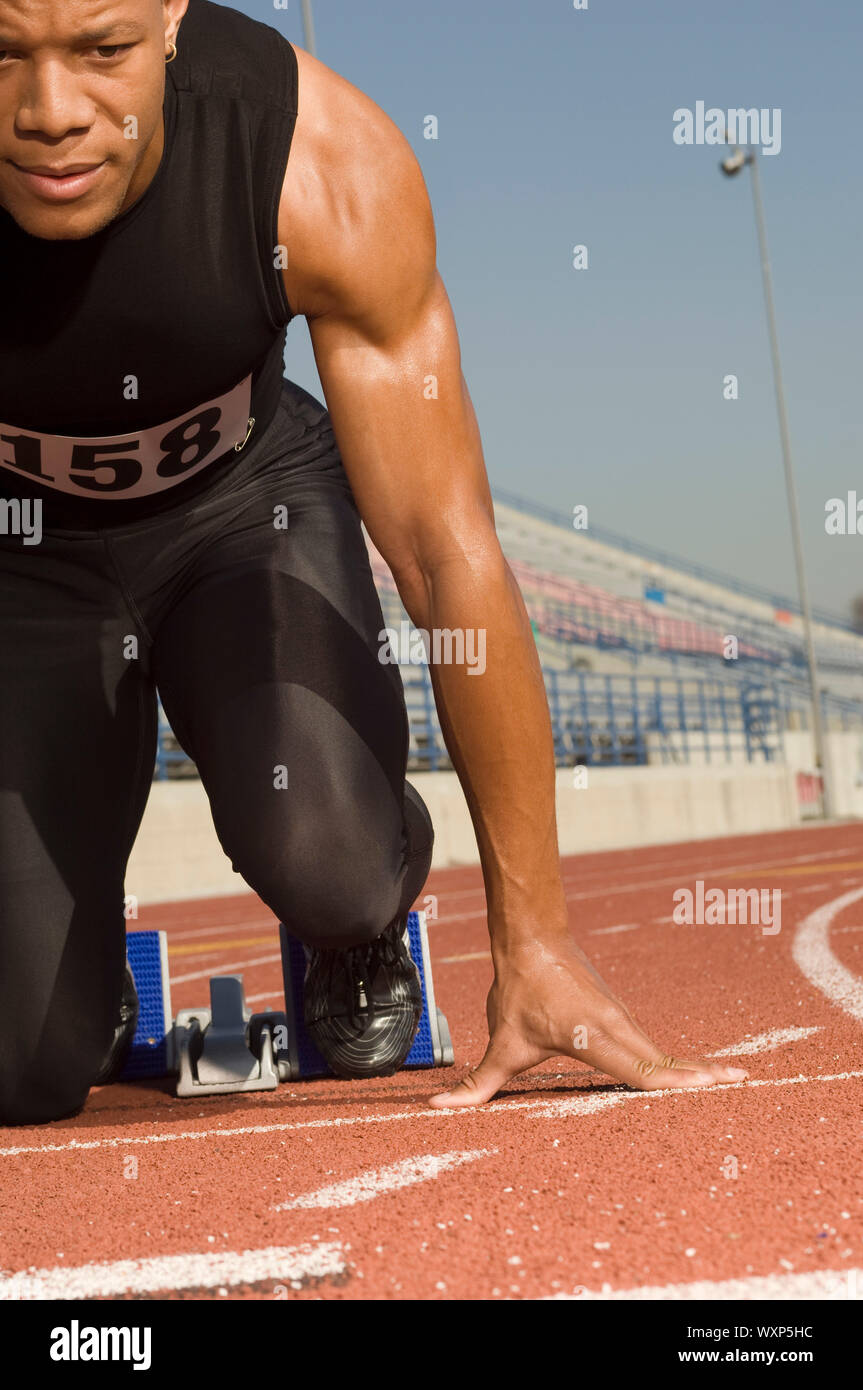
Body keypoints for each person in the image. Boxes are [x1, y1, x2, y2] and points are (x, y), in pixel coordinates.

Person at [0, 0, 747, 1126]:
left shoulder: (317, 161)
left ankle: (357, 928)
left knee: (329, 856)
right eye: (2, 56)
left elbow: (447, 556)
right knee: (23, 1068)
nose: (50, 114)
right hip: (25, 558)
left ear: (167, 19)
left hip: (243, 514)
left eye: (99, 51)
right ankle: (71, 966)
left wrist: (533, 940)